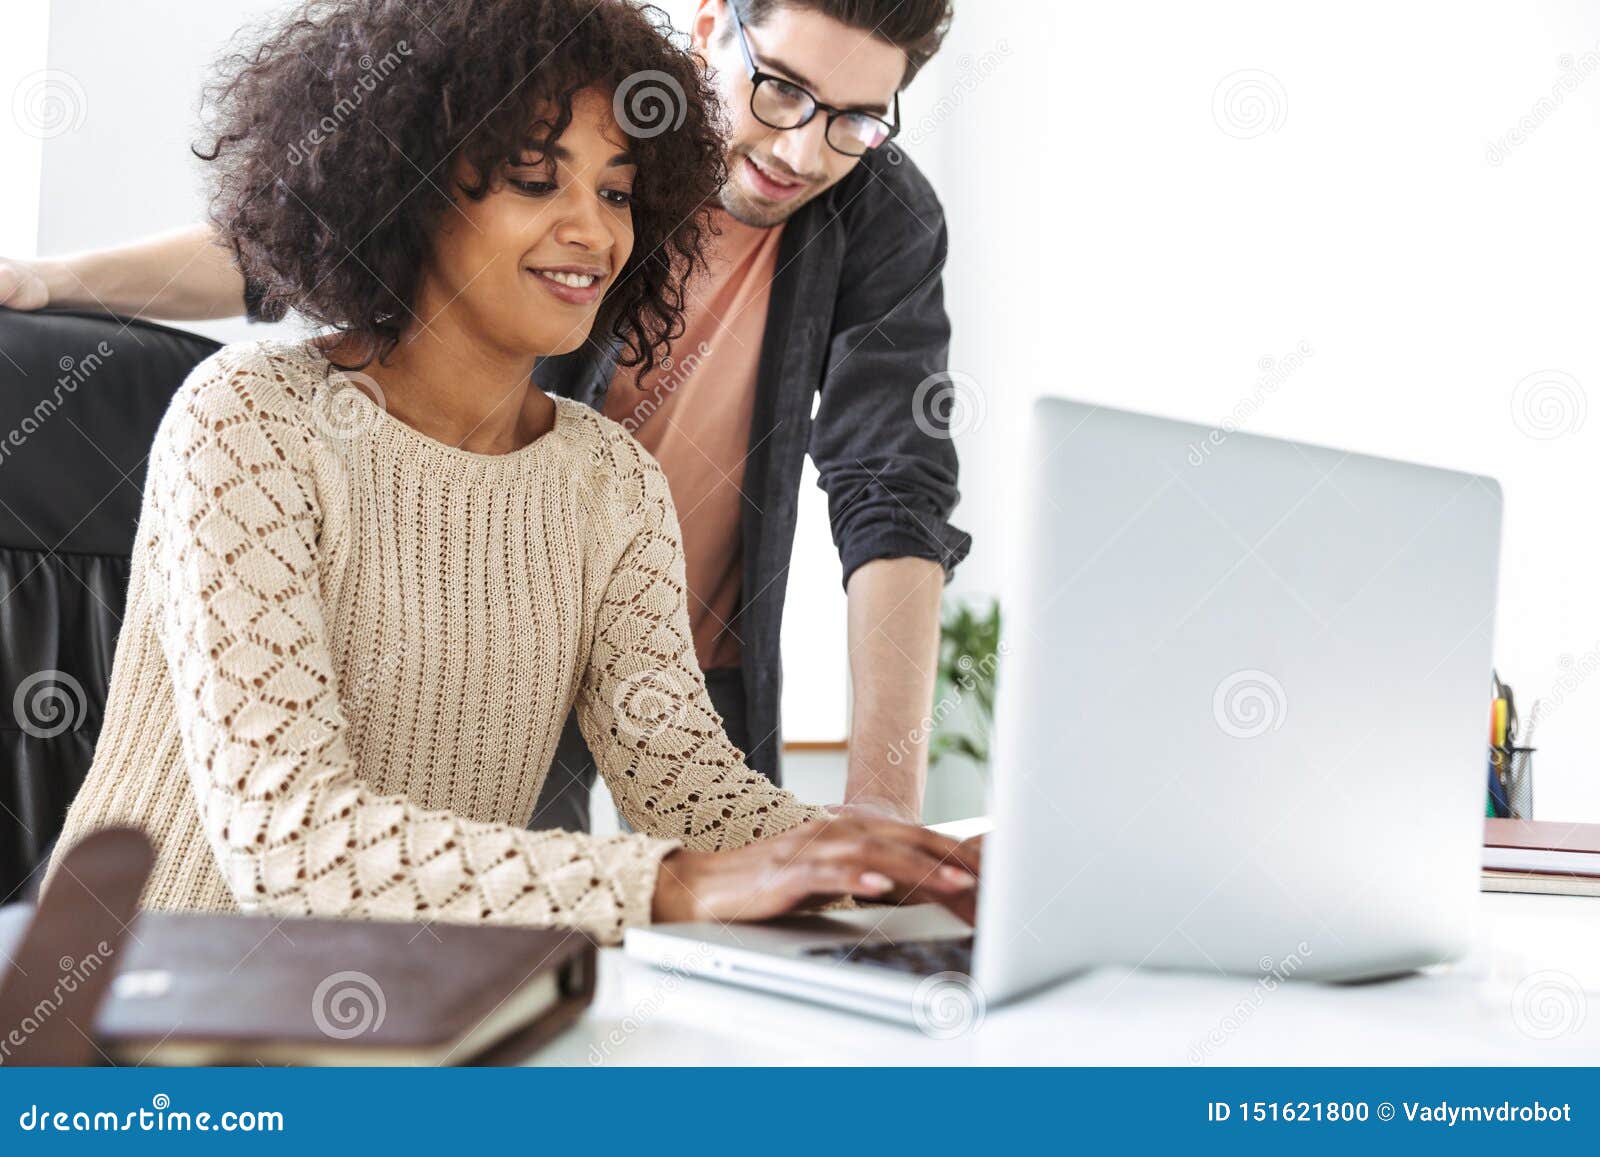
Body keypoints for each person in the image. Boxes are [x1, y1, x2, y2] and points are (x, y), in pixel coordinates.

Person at [40, 0, 979, 944]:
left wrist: (893, 859)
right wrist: (681, 885)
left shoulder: (608, 481)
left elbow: (698, 802)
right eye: (535, 180)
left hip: (398, 1021)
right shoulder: (249, 416)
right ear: (410, 189)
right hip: (138, 1026)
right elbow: (291, 844)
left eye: (618, 195)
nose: (594, 233)